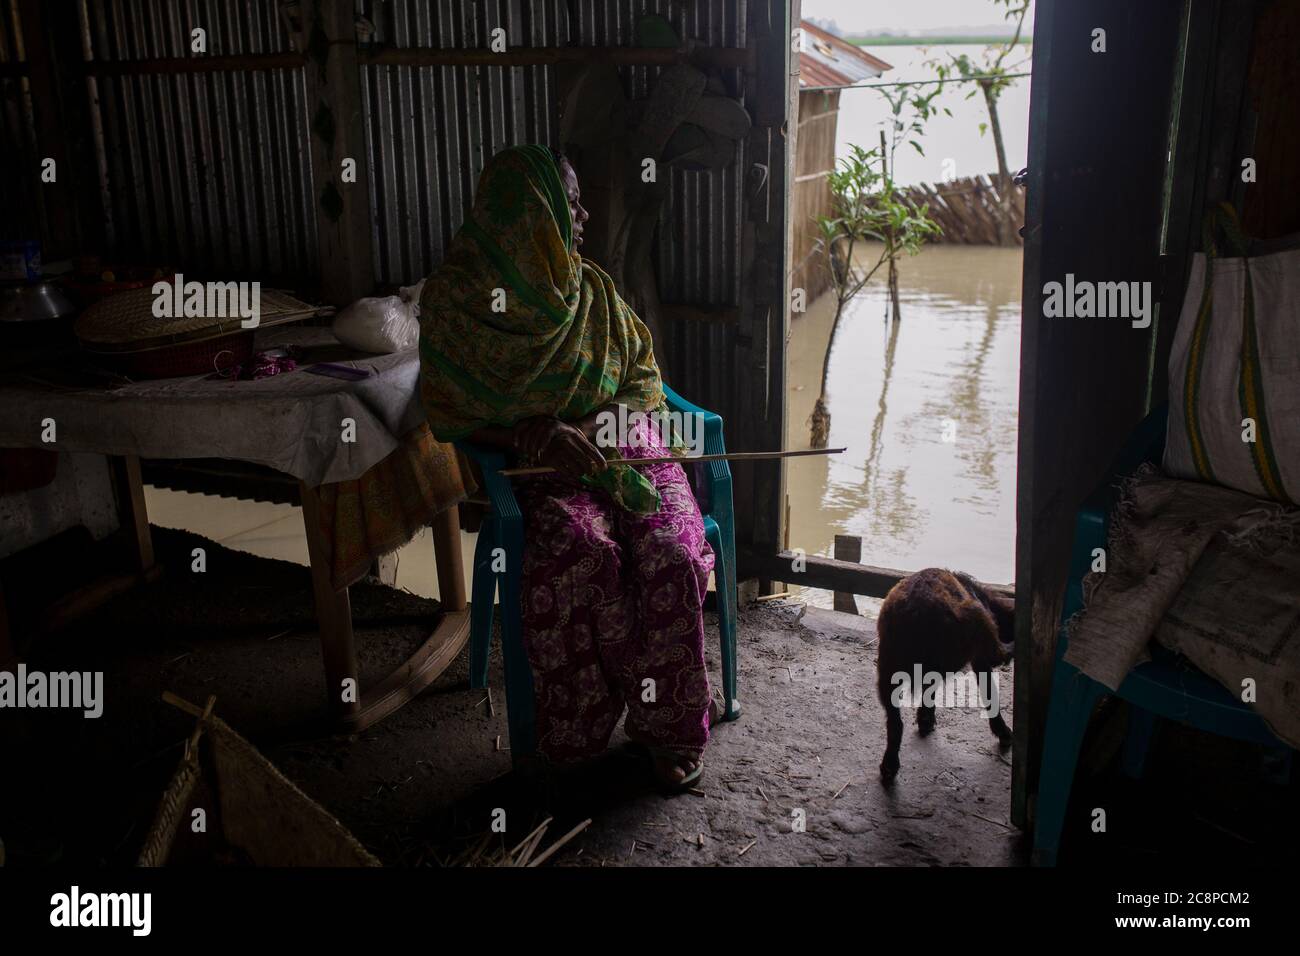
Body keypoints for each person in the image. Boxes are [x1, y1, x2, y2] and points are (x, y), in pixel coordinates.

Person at [418, 144, 715, 789]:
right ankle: (580, 730)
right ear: (528, 216)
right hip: (543, 468)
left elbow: (641, 377)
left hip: (621, 439)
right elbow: (446, 407)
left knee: (673, 551)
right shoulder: (457, 303)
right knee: (582, 553)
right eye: (568, 204)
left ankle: (666, 725)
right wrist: (530, 436)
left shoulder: (591, 290)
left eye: (577, 203)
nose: (582, 217)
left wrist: (583, 428)